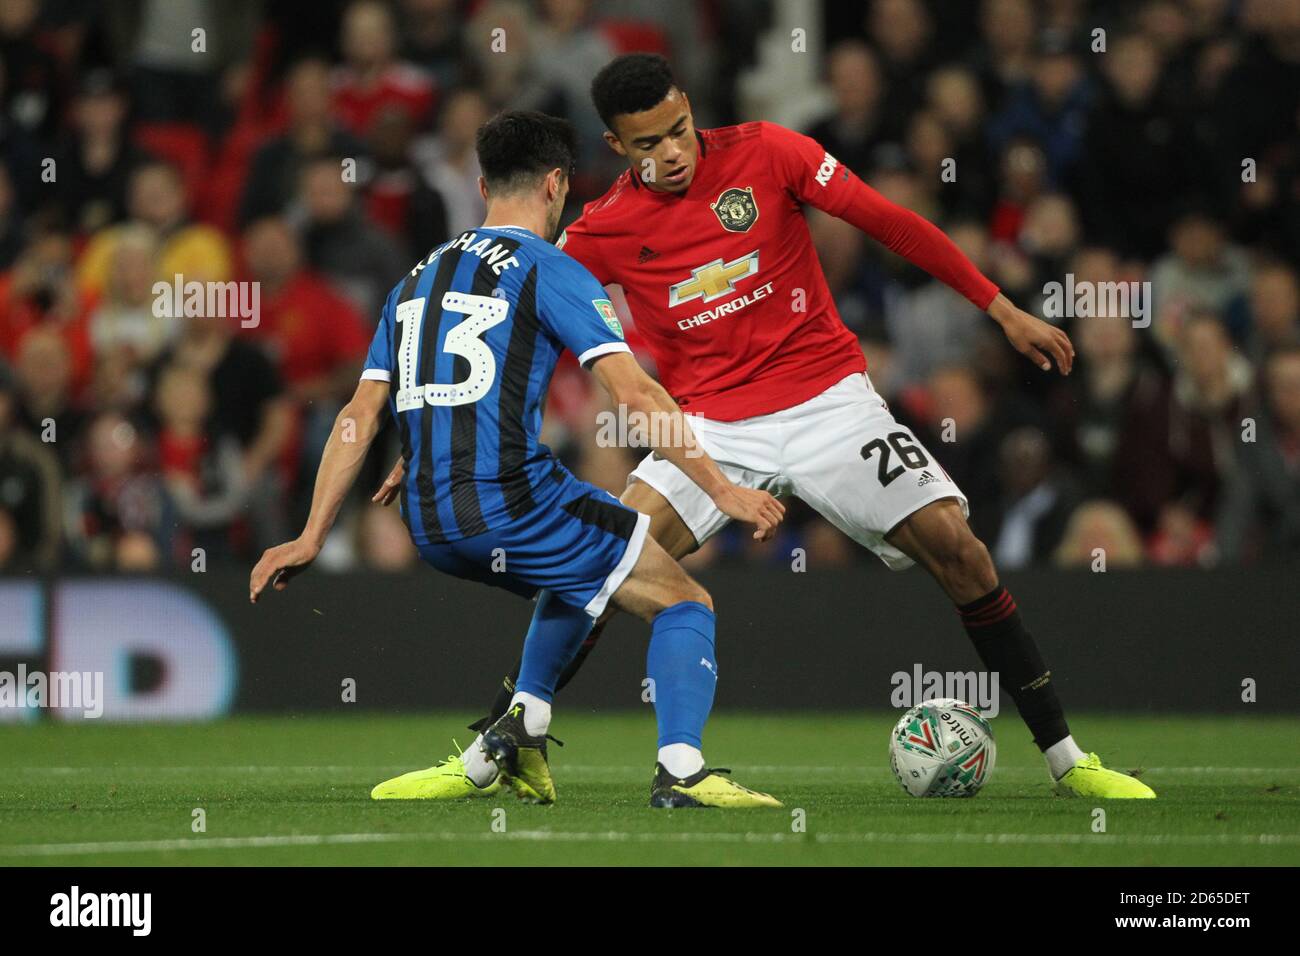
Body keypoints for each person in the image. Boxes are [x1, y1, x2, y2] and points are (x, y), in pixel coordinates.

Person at [377, 54, 1155, 800]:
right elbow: (525, 326)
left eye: (679, 128)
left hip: (830, 402)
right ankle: (497, 752)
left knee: (960, 549)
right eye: (648, 144)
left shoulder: (770, 152)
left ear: (688, 106)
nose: (673, 152)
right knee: (605, 562)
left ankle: (1066, 759)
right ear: (616, 146)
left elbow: (890, 222)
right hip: (708, 425)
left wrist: (1000, 306)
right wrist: (447, 430)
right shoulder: (599, 230)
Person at [250, 110, 786, 809]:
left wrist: (313, 533)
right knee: (685, 600)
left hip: (431, 522)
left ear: (482, 185)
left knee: (580, 574)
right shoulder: (550, 268)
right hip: (511, 501)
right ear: (557, 184)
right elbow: (635, 391)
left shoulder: (414, 280)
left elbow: (358, 416)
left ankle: (511, 742)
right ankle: (681, 772)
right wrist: (720, 488)